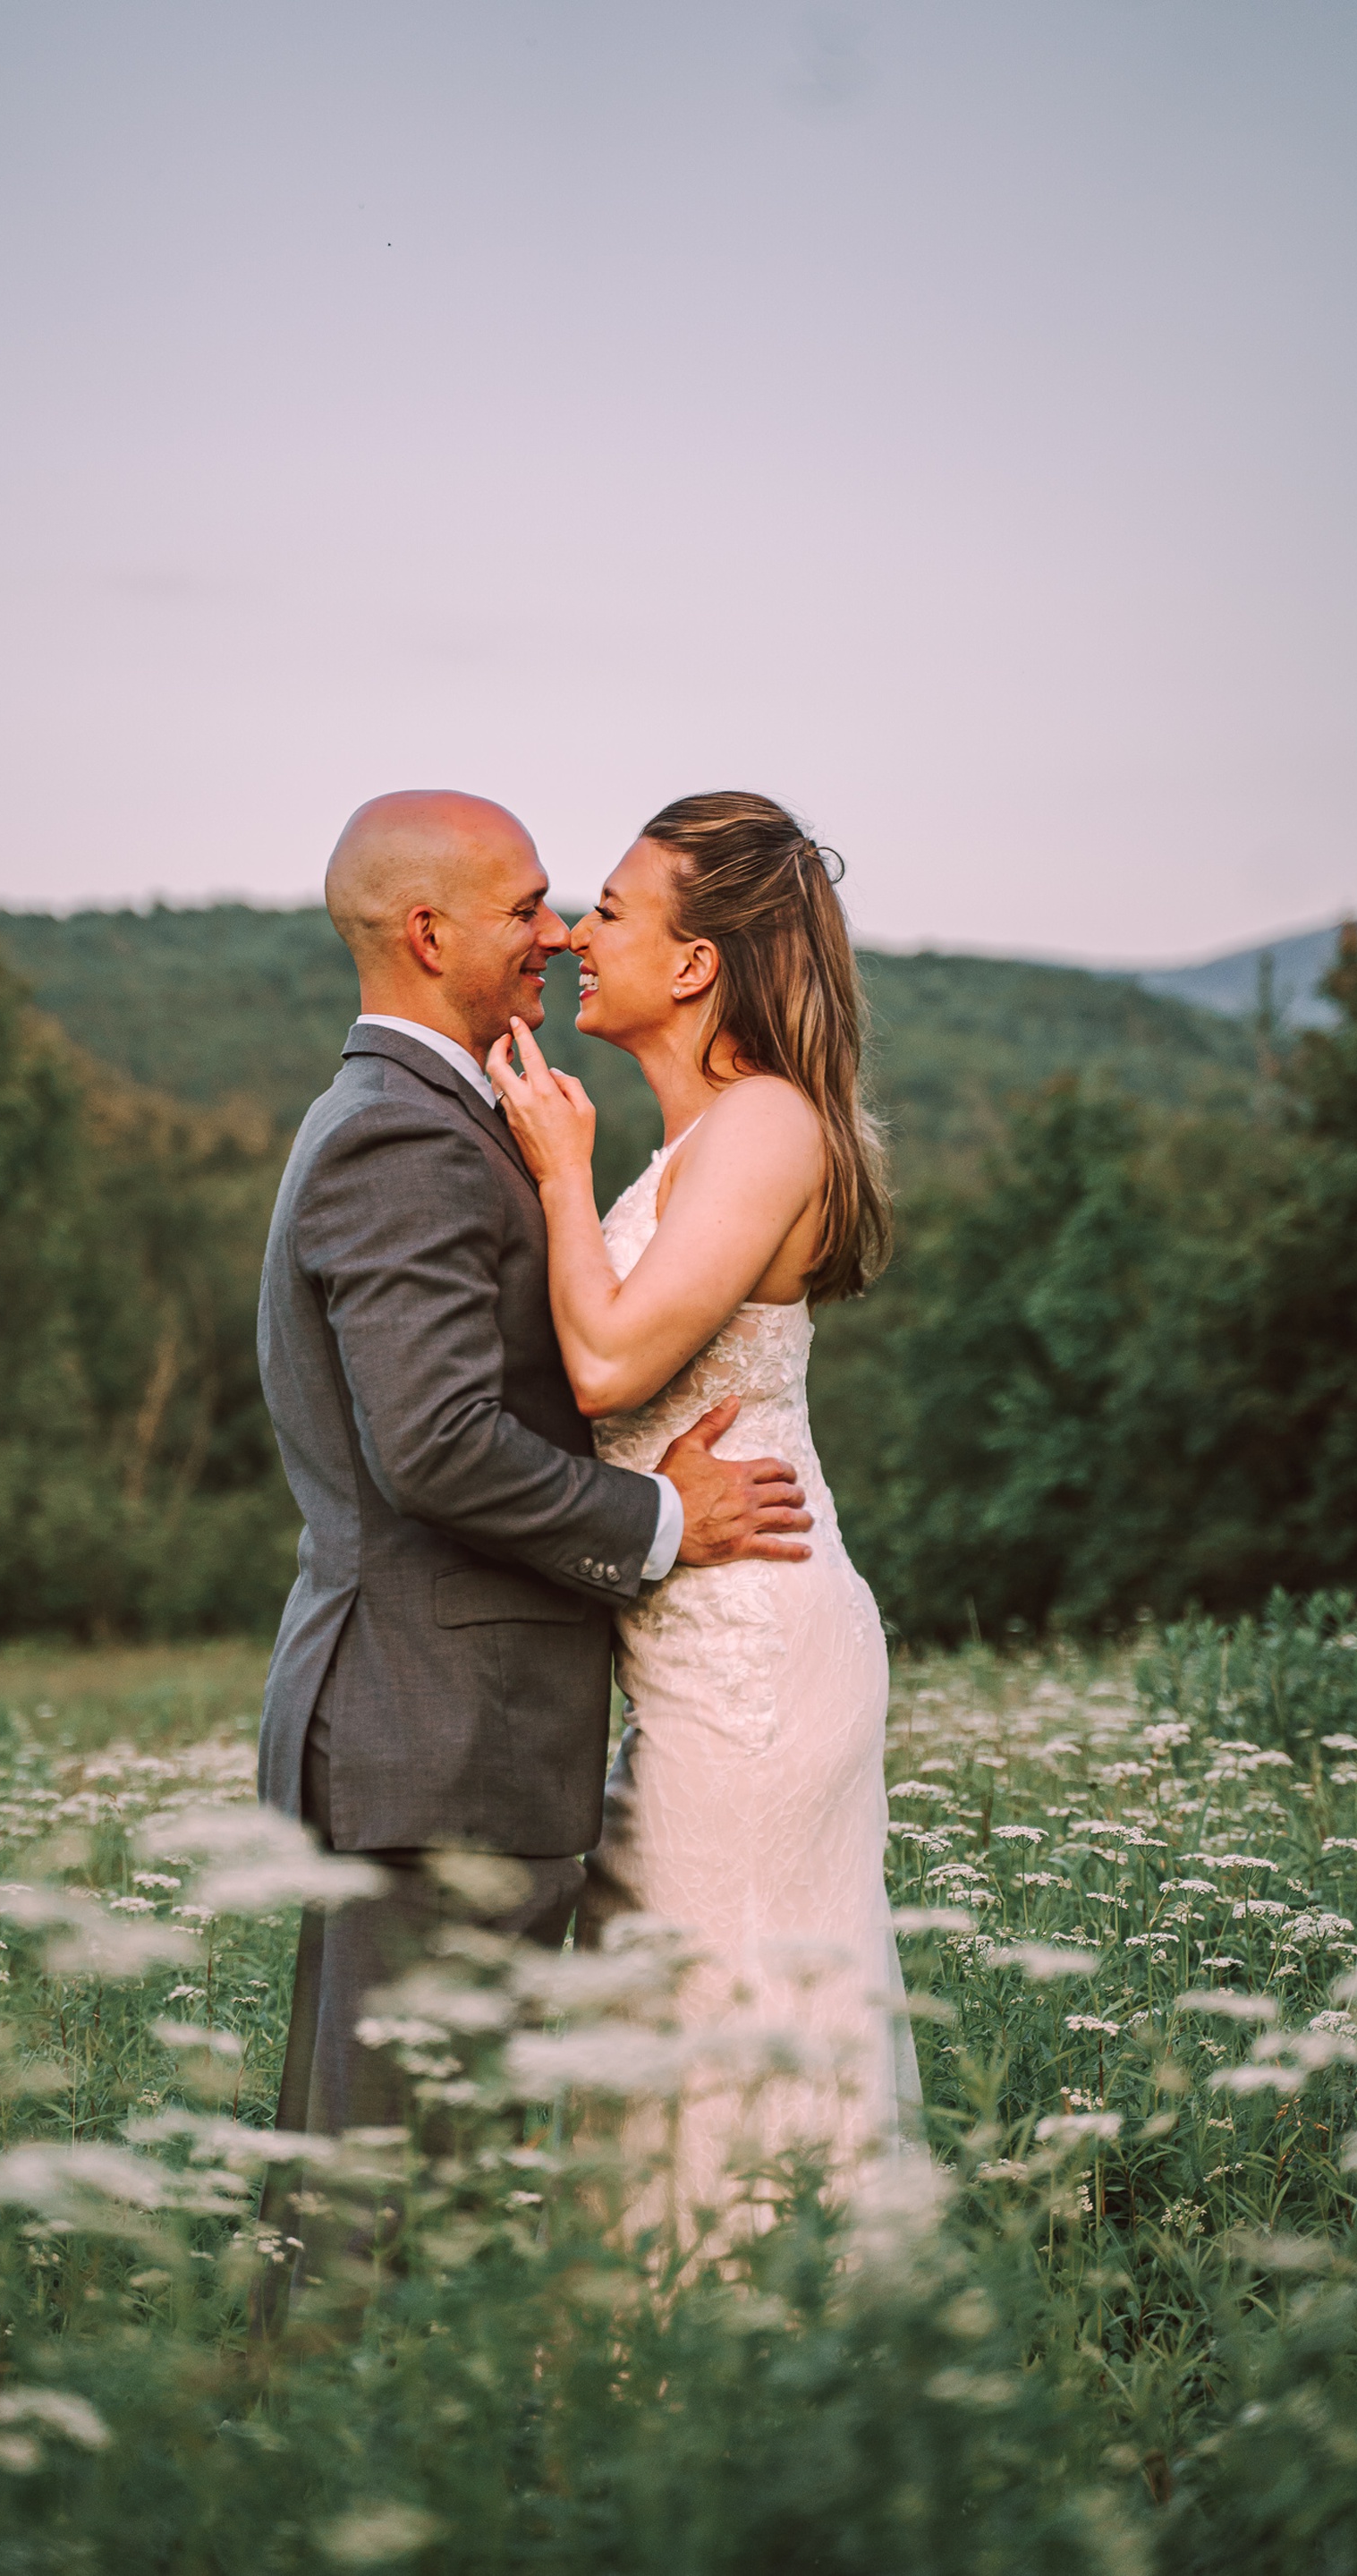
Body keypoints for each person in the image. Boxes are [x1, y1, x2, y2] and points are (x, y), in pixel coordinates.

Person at [254, 789, 817, 2184]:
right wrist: (667, 1521)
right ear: (430, 932)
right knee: (395, 2184)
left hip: (452, 1738)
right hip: (439, 1738)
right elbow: (438, 1445)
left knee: (400, 2168)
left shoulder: (452, 1111)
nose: (557, 936)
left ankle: (348, 2402)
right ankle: (329, 2408)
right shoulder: (406, 1134)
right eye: (529, 908)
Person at [486, 790, 922, 2219]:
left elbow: (609, 1362)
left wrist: (558, 1172)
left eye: (608, 909)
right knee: (664, 2016)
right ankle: (676, 2383)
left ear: (692, 965)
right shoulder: (710, 1143)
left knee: (719, 2026)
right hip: (696, 1637)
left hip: (754, 1653)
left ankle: (746, 2370)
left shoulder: (765, 1125)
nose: (570, 936)